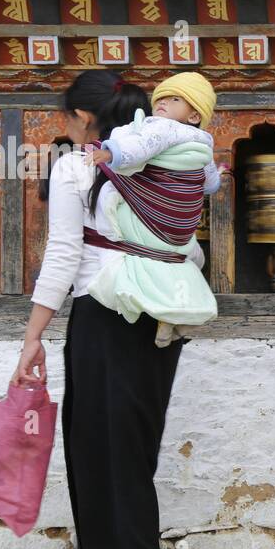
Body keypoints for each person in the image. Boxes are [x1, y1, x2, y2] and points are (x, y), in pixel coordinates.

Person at [14, 70, 189, 549]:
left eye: (67, 118)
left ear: (85, 118)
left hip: (106, 315)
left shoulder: (77, 166)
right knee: (132, 448)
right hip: (159, 314)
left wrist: (33, 336)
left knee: (102, 449)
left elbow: (64, 257)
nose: (66, 129)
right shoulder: (171, 160)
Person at [87, 72, 223, 347]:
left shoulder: (162, 127)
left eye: (175, 100)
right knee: (176, 262)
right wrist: (212, 176)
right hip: (181, 223)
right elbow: (208, 182)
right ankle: (171, 319)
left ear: (194, 115)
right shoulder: (204, 141)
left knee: (135, 247)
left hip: (157, 217)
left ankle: (154, 311)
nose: (163, 103)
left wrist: (111, 152)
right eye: (160, 97)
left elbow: (140, 147)